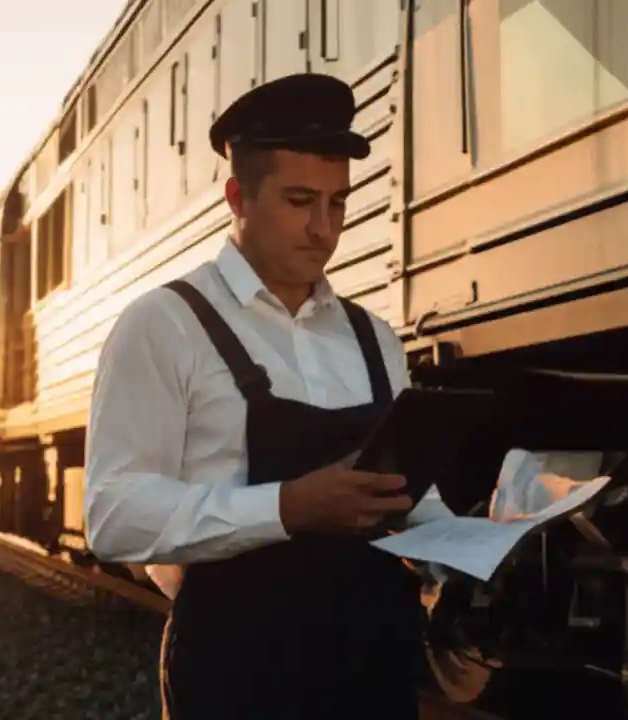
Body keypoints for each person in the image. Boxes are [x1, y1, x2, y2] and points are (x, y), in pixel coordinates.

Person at [82, 73, 455, 719]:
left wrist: (469, 541)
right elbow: (113, 516)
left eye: (338, 203)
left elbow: (406, 499)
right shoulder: (166, 323)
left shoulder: (376, 339)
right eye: (300, 200)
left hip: (375, 672)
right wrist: (285, 507)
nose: (323, 229)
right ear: (238, 196)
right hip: (237, 676)